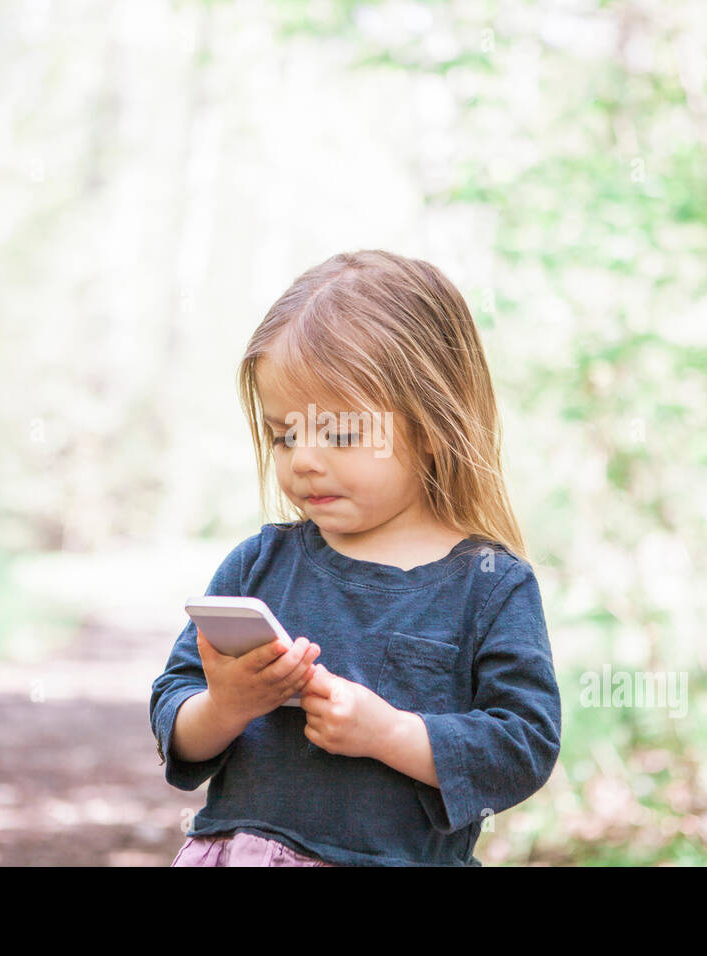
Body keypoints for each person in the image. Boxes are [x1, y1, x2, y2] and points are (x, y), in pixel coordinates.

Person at [150, 249, 561, 866]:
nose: (303, 458)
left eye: (339, 433)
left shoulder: (489, 585)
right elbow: (174, 706)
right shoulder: (259, 565)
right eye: (284, 434)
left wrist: (391, 734)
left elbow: (523, 744)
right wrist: (226, 706)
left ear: (430, 424)